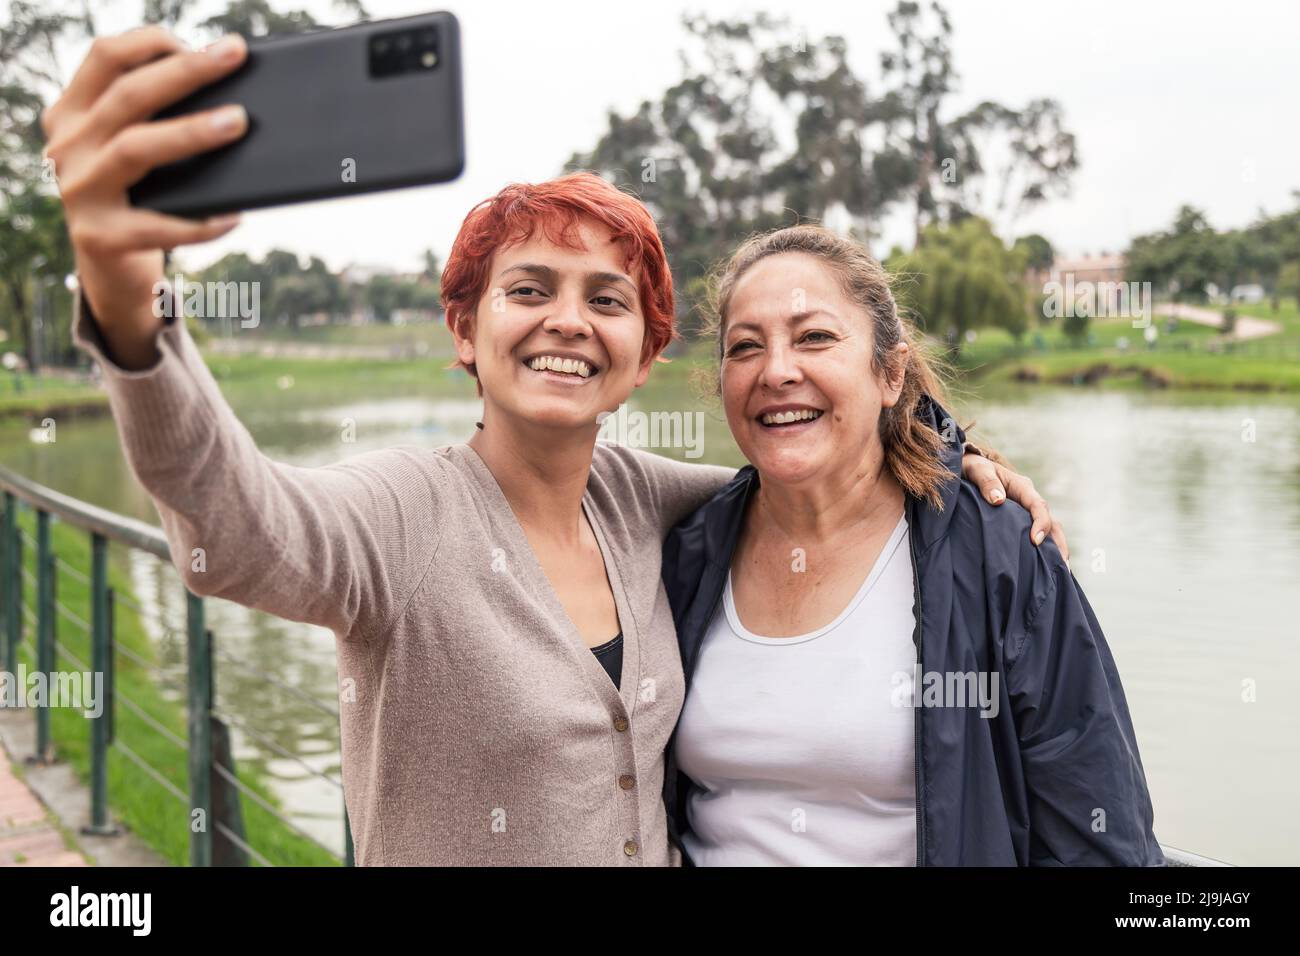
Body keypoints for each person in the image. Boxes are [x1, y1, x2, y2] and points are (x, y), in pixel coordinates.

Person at [42, 26, 1064, 865]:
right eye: (528, 290)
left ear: (643, 353)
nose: (567, 322)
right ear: (464, 332)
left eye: (605, 301)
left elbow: (814, 464)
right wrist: (128, 300)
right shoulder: (401, 515)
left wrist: (943, 452)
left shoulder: (643, 499)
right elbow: (233, 521)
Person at [662, 225, 1163, 866]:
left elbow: (1098, 837)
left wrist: (957, 459)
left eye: (815, 337)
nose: (777, 371)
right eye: (746, 347)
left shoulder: (998, 552)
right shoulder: (687, 550)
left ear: (891, 372)